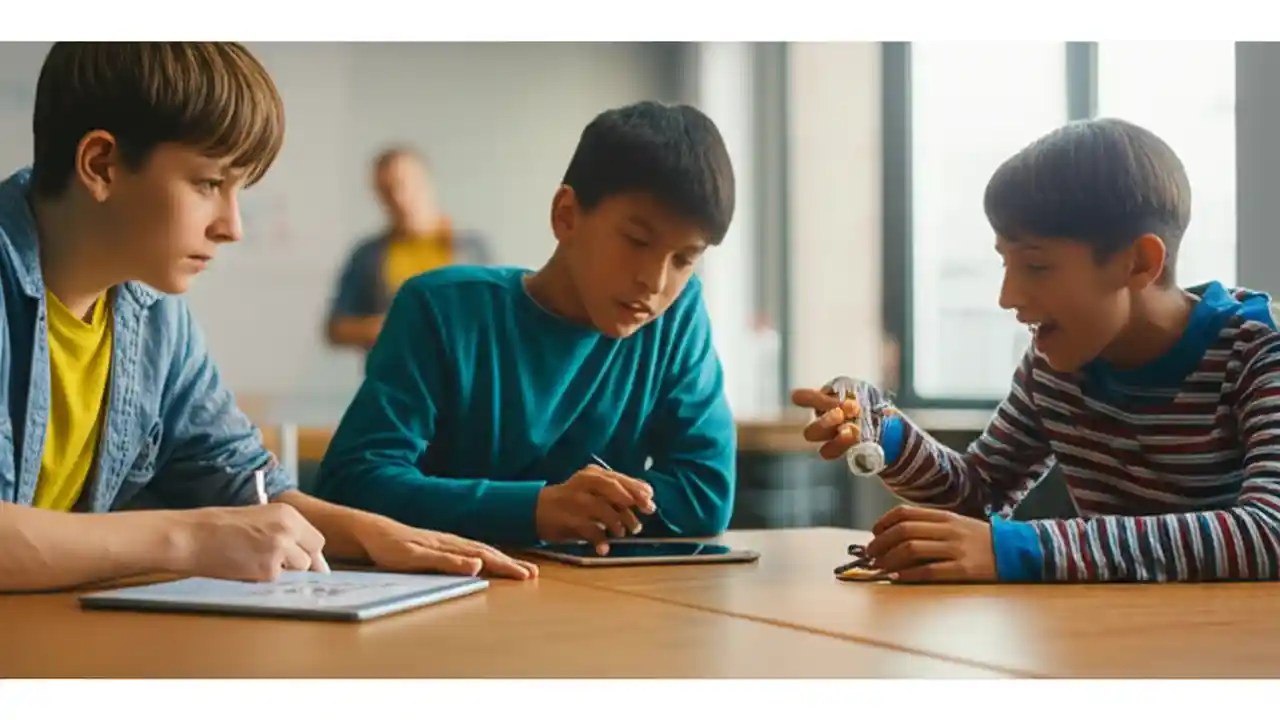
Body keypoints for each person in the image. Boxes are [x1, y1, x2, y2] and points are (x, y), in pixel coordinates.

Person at [0, 42, 536, 593]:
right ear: (101, 165)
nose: (233, 226)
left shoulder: (157, 316)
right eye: (210, 184)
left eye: (239, 192)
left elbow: (243, 481)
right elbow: (209, 524)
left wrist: (374, 534)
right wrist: (189, 538)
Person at [793, 117, 1280, 583]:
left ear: (1139, 262)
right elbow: (977, 496)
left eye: (1037, 266)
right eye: (1005, 263)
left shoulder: (1257, 353)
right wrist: (887, 431)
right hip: (1115, 640)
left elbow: (1269, 531)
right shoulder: (1053, 368)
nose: (1008, 297)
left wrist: (1021, 549)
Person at [316, 101, 737, 554]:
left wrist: (583, 508)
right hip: (448, 598)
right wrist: (536, 508)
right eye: (636, 241)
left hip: (598, 604)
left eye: (684, 259)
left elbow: (706, 492)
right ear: (566, 216)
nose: (654, 283)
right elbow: (352, 484)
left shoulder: (676, 314)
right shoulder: (440, 308)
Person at [326, 148, 491, 352]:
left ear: (427, 182)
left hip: (466, 376)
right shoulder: (367, 255)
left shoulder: (472, 249)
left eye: (404, 185)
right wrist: (387, 327)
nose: (399, 197)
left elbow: (493, 317)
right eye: (387, 190)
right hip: (395, 376)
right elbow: (336, 328)